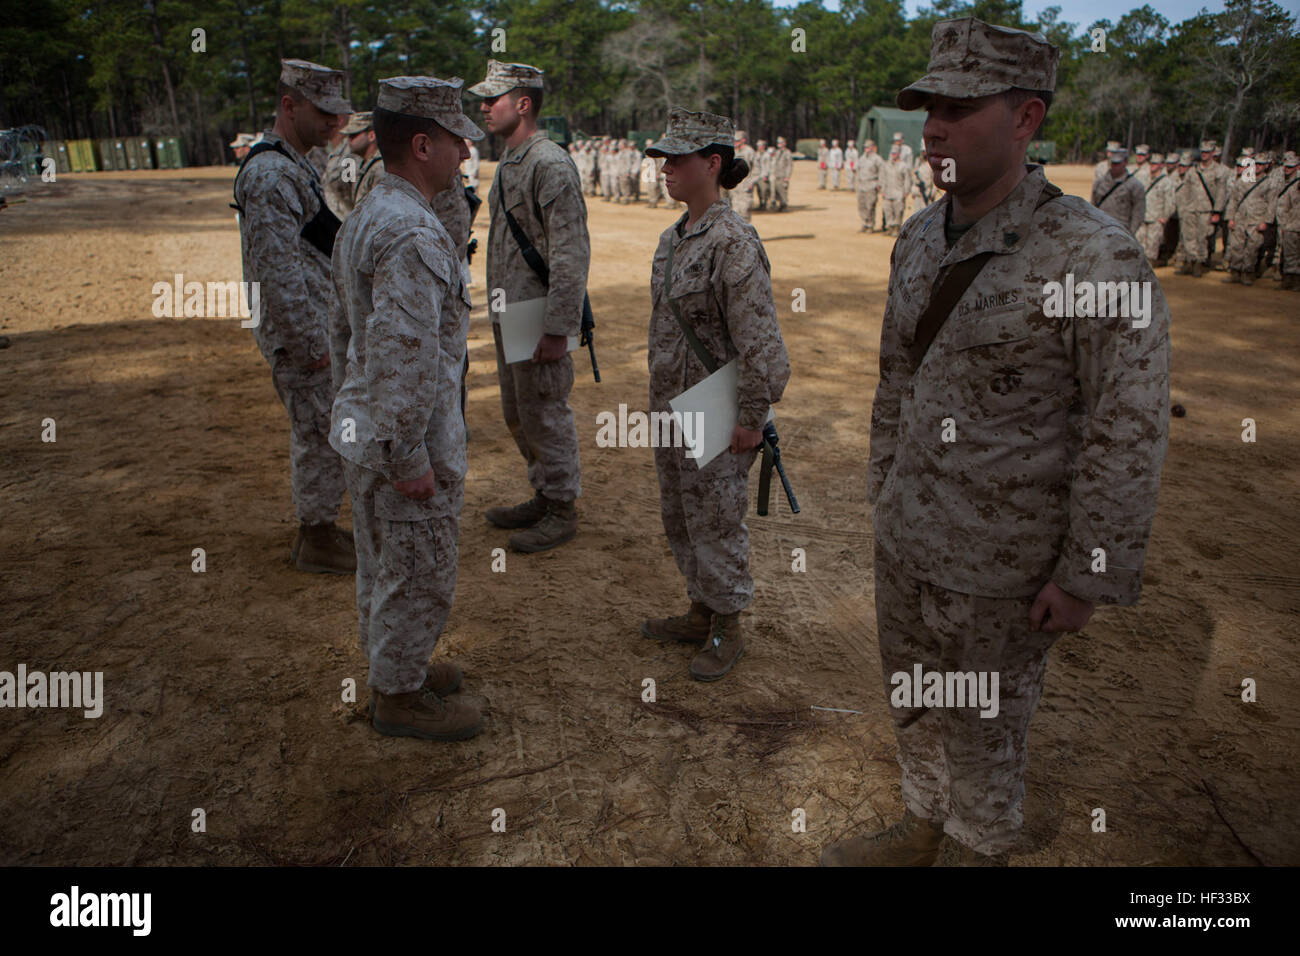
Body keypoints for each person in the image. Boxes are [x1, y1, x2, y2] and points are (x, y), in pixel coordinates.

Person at [821, 16, 1170, 868]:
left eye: (960, 106)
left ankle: (977, 845)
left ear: (1025, 118)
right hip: (909, 537)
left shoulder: (1092, 257)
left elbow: (1129, 424)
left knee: (985, 718)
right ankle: (923, 822)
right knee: (915, 697)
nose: (933, 125)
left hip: (1004, 563)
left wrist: (1089, 569)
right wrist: (883, 494)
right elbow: (894, 388)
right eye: (929, 104)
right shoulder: (915, 238)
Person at [328, 75, 484, 741]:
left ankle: (400, 666)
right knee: (417, 569)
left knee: (383, 562)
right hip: (402, 441)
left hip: (368, 428)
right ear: (422, 144)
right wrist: (410, 456)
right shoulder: (412, 233)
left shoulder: (368, 214)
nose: (467, 156)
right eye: (456, 142)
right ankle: (396, 696)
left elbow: (349, 338)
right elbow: (406, 358)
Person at [640, 107, 790, 681]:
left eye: (677, 158)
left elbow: (762, 346)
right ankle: (701, 608)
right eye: (662, 158)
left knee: (717, 519)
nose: (665, 168)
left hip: (716, 407)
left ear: (713, 163)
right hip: (671, 407)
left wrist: (751, 418)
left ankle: (728, 621)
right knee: (679, 514)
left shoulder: (733, 240)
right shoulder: (672, 238)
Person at [232, 58, 355, 574]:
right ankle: (317, 536)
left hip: (316, 324)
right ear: (289, 105)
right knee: (319, 433)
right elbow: (276, 272)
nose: (335, 124)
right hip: (303, 334)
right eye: (323, 112)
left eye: (338, 113)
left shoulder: (295, 163)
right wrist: (310, 344)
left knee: (326, 430)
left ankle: (321, 526)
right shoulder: (269, 173)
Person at [473, 59, 591, 552]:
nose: (482, 107)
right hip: (511, 311)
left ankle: (562, 506)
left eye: (492, 99)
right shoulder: (512, 159)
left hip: (537, 313)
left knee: (544, 410)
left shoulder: (549, 162)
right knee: (518, 410)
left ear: (522, 104)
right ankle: (544, 491)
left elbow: (570, 252)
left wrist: (557, 326)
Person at [1092, 145, 1144, 237]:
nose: (1115, 166)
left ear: (1125, 162)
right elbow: (1092, 206)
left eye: (1118, 163)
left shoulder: (1135, 185)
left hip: (1121, 232)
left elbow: (1138, 213)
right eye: (1113, 163)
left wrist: (1129, 234)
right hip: (1099, 230)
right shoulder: (1099, 183)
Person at [1271, 150, 1300, 290]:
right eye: (1286, 166)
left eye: (1291, 166)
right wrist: (1285, 223)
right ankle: (1288, 279)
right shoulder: (1286, 183)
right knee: (1290, 253)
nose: (1287, 169)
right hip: (1290, 224)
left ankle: (1296, 281)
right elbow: (1285, 206)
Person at [855, 140, 884, 231]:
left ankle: (870, 225)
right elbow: (858, 171)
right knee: (861, 205)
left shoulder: (877, 159)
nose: (866, 149)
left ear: (872, 147)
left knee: (870, 205)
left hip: (871, 184)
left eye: (868, 147)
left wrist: (879, 184)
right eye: (865, 147)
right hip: (862, 185)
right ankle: (864, 223)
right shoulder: (862, 158)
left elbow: (882, 172)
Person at [880, 144, 909, 235]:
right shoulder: (887, 165)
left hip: (898, 192)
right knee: (887, 210)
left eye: (895, 153)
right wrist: (883, 190)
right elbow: (883, 178)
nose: (893, 155)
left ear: (899, 154)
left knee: (898, 211)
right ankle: (890, 227)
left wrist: (906, 191)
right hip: (888, 192)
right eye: (892, 153)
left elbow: (907, 179)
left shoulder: (903, 166)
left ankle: (897, 228)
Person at [772, 137, 793, 210]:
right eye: (778, 143)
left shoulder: (787, 152)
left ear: (784, 143)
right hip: (777, 174)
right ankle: (781, 204)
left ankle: (784, 205)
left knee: (783, 190)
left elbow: (789, 165)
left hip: (783, 175)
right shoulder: (777, 152)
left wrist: (787, 176)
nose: (779, 144)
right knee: (777, 190)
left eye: (781, 143)